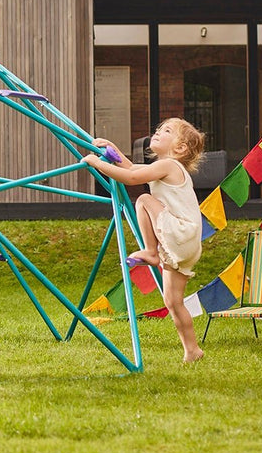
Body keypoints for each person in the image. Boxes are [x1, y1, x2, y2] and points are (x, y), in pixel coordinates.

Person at [81, 117, 206, 363]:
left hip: (180, 232)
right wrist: (113, 150)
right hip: (186, 242)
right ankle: (192, 350)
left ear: (179, 148)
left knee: (144, 201)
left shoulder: (169, 165)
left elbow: (130, 179)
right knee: (173, 301)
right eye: (160, 128)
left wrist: (96, 163)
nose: (158, 132)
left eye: (167, 130)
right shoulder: (163, 167)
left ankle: (150, 251)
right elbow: (130, 169)